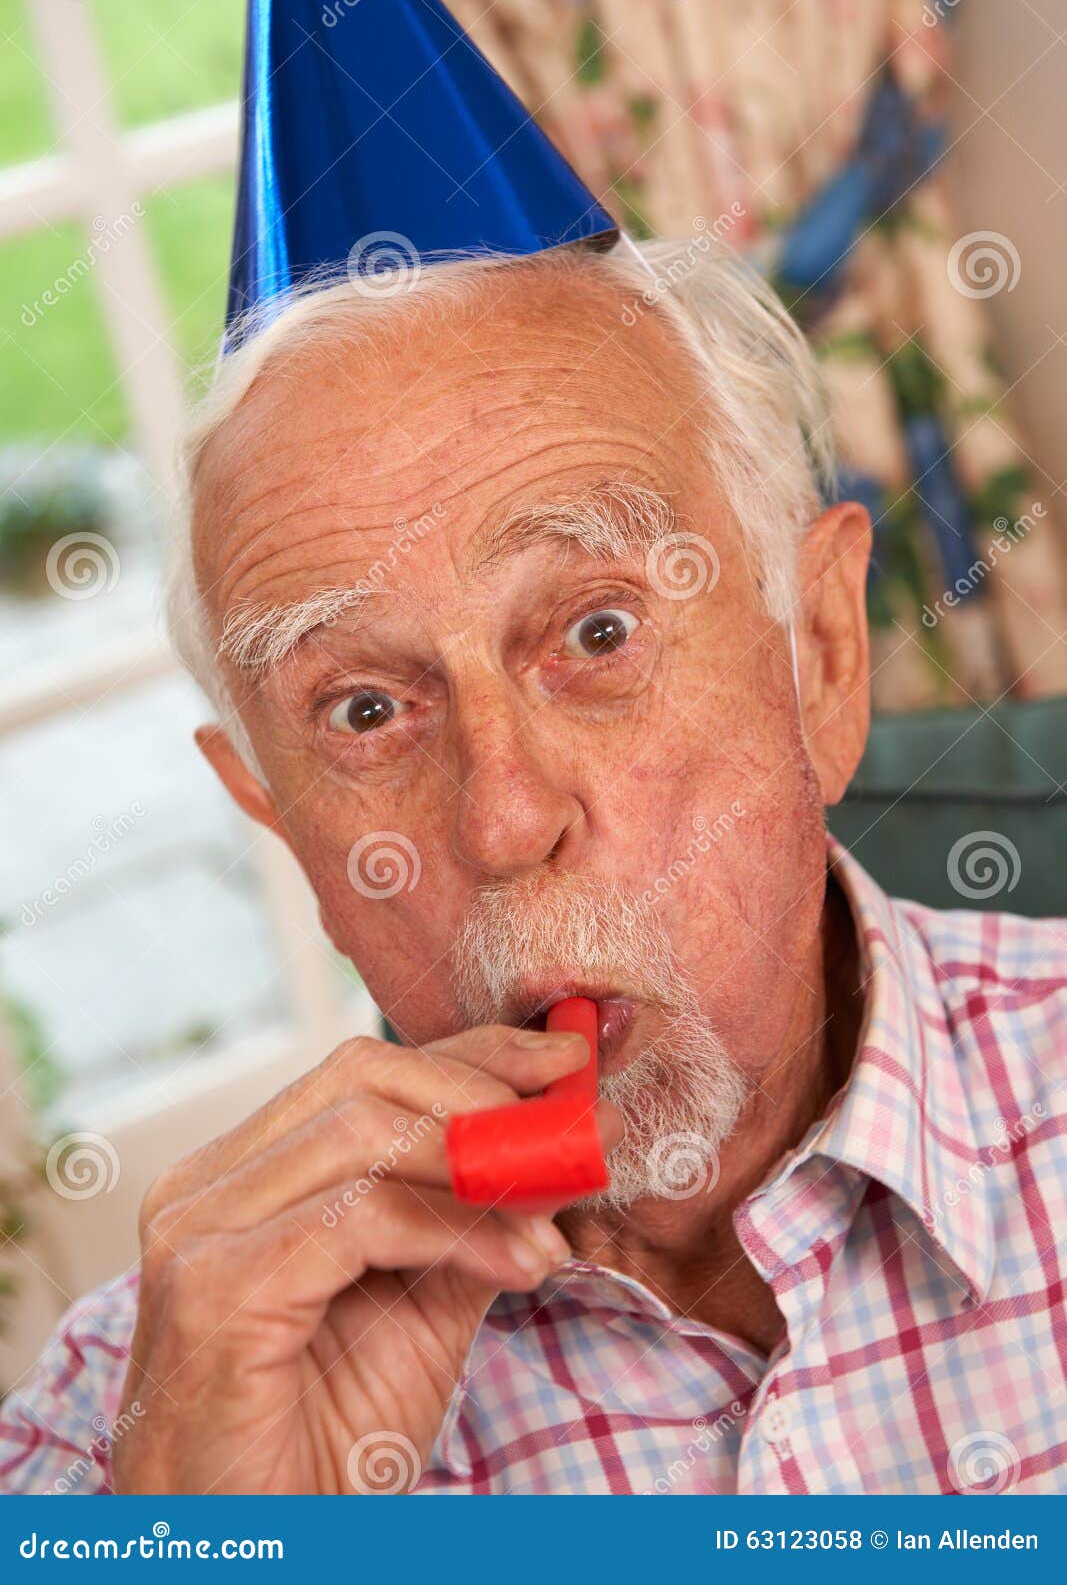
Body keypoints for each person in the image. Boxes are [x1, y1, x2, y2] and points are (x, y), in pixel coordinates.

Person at [2, 238, 1064, 1494]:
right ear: (288, 834)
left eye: (596, 631)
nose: (503, 821)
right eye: (361, 711)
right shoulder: (113, 1438)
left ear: (821, 652)